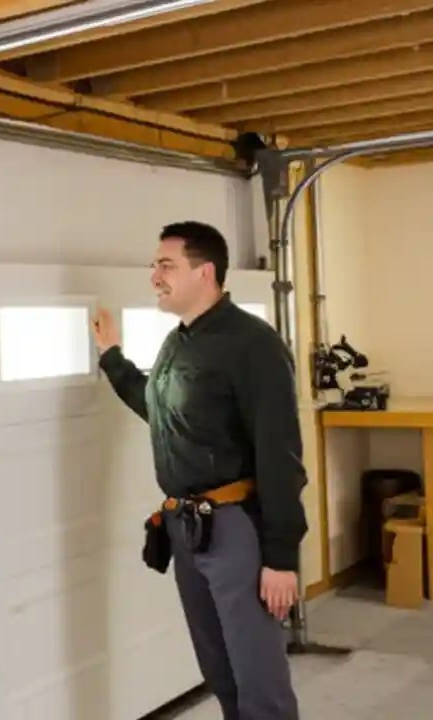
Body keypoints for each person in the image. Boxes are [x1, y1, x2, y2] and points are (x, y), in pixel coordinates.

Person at [93, 221, 307, 720]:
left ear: (205, 272)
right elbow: (159, 411)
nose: (155, 277)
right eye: (155, 267)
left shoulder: (254, 345)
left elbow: (280, 455)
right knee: (222, 673)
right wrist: (111, 359)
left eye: (166, 265)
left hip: (237, 528)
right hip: (190, 529)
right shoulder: (177, 344)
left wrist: (281, 557)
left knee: (260, 682)